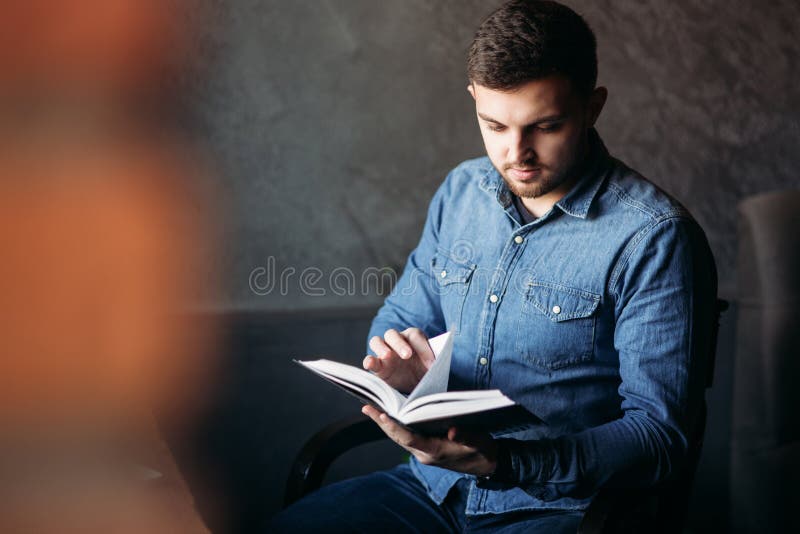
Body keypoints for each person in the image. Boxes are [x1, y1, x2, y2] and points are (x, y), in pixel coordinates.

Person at [270, 0, 717, 532]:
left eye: (545, 126)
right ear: (474, 101)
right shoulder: (461, 191)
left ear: (592, 107)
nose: (516, 154)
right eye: (494, 125)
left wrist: (508, 463)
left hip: (560, 511)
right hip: (432, 488)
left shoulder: (655, 238)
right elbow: (400, 317)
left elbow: (660, 438)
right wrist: (393, 367)